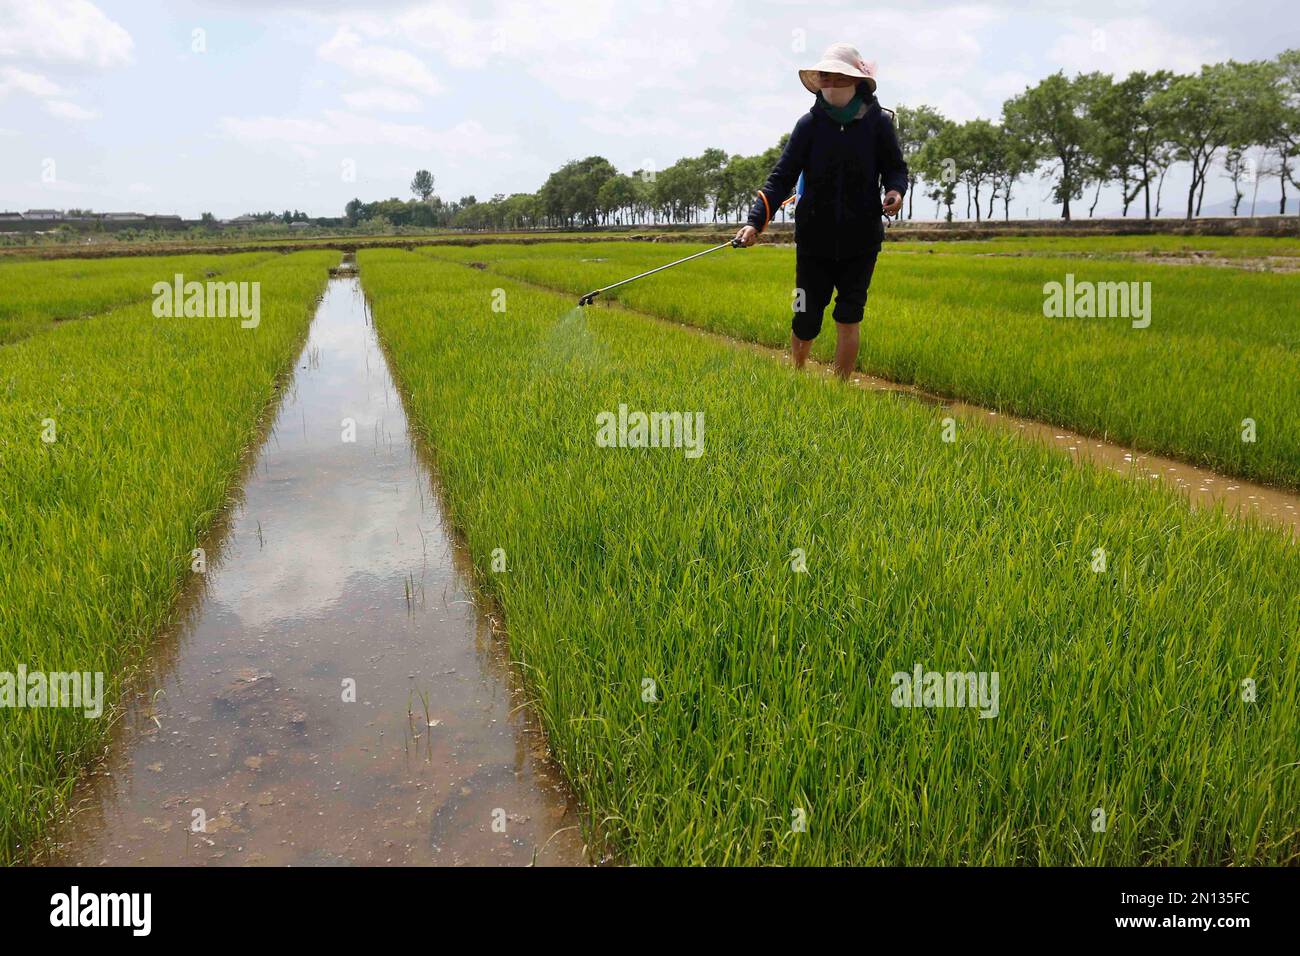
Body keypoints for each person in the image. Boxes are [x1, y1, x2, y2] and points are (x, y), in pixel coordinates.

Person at [735, 42, 908, 379]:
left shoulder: (879, 125)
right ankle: (796, 376)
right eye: (824, 76)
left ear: (855, 81)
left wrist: (895, 191)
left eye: (836, 76)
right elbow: (781, 177)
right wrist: (756, 222)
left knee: (849, 314)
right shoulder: (808, 126)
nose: (828, 82)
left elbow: (895, 169)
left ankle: (841, 389)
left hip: (862, 239)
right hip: (814, 240)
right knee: (805, 315)